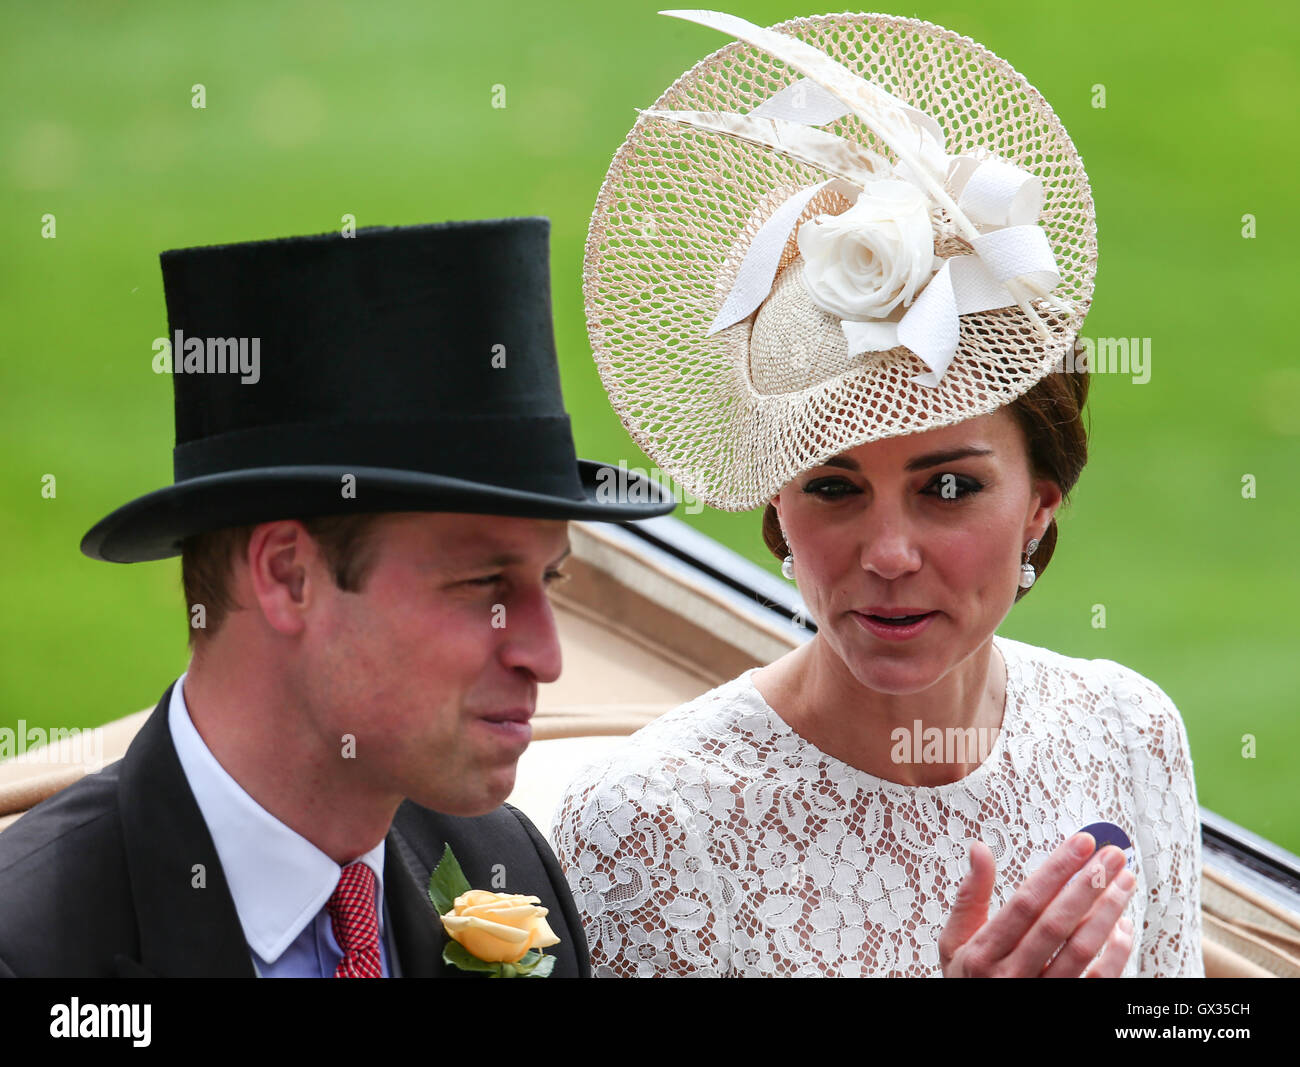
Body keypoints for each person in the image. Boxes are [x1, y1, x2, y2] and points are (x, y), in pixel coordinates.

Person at [552, 10, 1202, 977]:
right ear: (776, 508)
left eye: (948, 486)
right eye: (834, 486)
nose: (889, 553)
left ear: (1042, 503)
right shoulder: (649, 827)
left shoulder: (1130, 732)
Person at [0, 218, 675, 977]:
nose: (545, 657)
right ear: (290, 575)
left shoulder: (507, 862)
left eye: (547, 580)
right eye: (484, 583)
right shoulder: (30, 950)